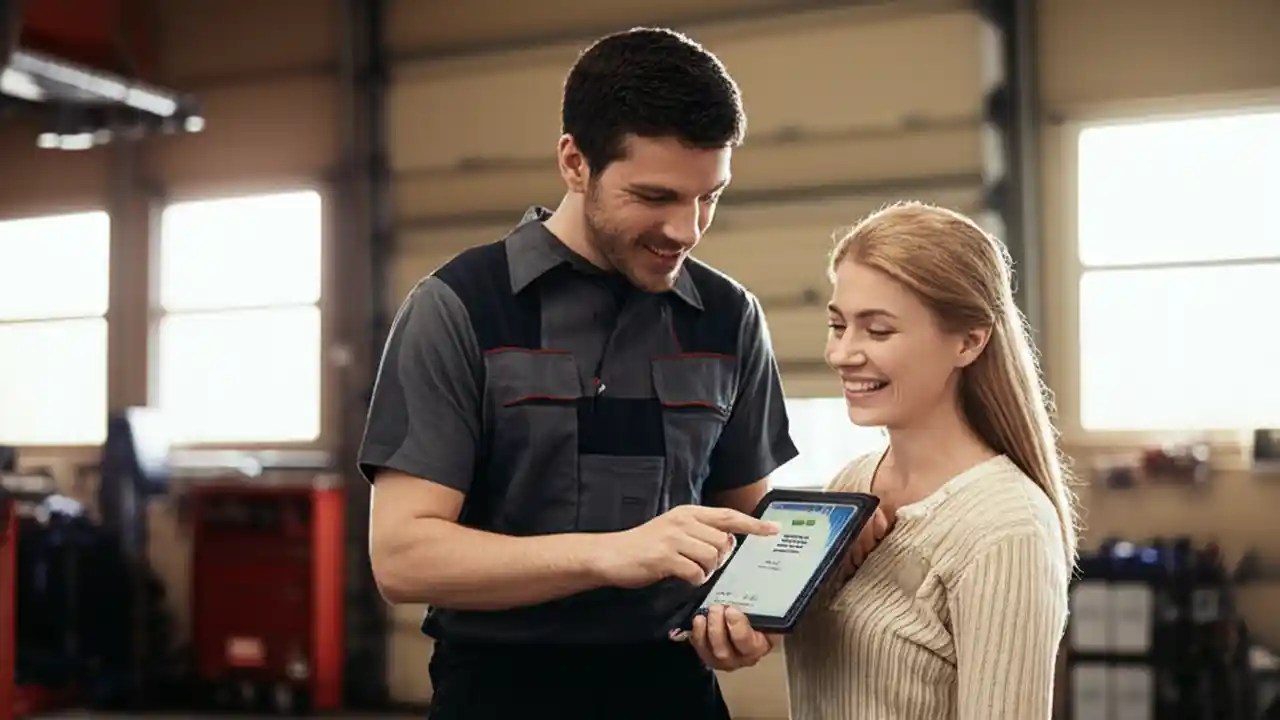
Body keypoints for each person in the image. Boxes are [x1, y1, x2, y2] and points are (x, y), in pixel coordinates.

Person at [358, 27, 799, 720]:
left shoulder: (727, 316)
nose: (686, 228)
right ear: (574, 161)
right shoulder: (460, 308)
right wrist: (606, 556)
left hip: (676, 693)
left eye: (709, 196)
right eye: (655, 197)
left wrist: (740, 619)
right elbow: (404, 558)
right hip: (500, 694)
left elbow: (743, 525)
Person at [785, 201, 1079, 720]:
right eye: (838, 326)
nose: (842, 353)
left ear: (969, 341)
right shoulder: (851, 484)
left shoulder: (1007, 528)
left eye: (877, 331)